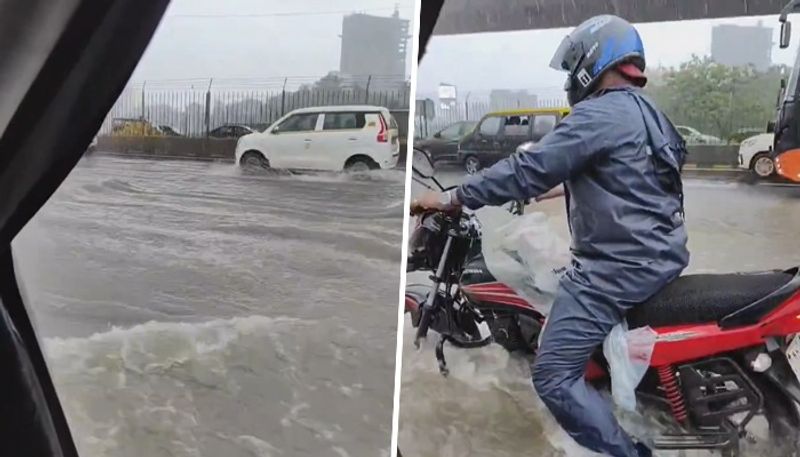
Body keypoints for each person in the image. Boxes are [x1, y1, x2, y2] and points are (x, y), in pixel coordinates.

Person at [410, 14, 689, 457]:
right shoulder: (648, 113)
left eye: (571, 66)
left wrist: (454, 198)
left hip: (616, 271)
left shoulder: (599, 113)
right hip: (660, 257)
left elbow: (528, 167)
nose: (568, 80)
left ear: (592, 60)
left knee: (552, 375)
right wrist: (562, 187)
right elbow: (635, 178)